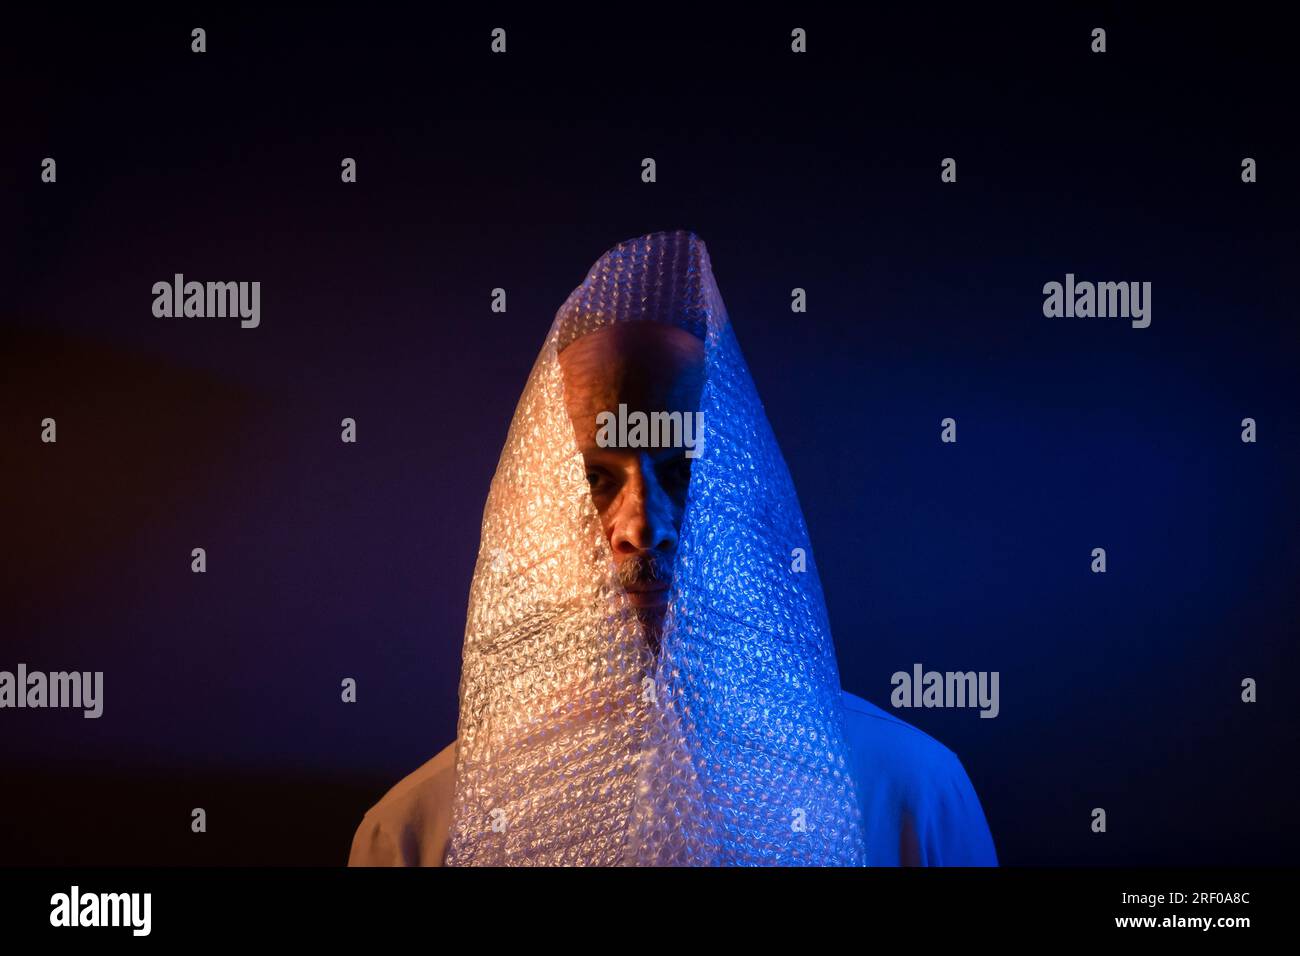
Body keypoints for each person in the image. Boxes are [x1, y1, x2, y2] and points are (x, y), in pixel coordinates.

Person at [349, 230, 997, 866]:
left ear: (742, 490)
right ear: (537, 510)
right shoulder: (419, 832)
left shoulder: (911, 797)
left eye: (684, 471)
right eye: (594, 479)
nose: (641, 526)